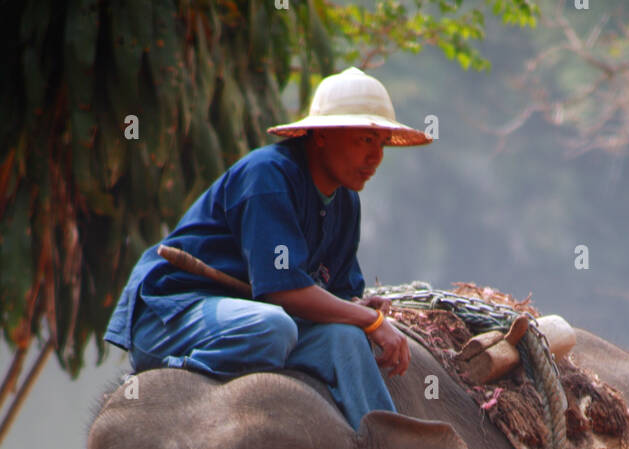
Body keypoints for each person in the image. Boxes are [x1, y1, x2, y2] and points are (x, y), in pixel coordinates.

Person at [104, 67, 432, 429]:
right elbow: (283, 291)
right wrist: (372, 320)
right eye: (365, 140)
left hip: (256, 321)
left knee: (347, 339)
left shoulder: (345, 201)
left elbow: (335, 294)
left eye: (382, 143)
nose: (376, 158)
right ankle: (170, 381)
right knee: (274, 326)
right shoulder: (269, 176)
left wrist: (358, 310)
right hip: (176, 315)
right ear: (322, 136)